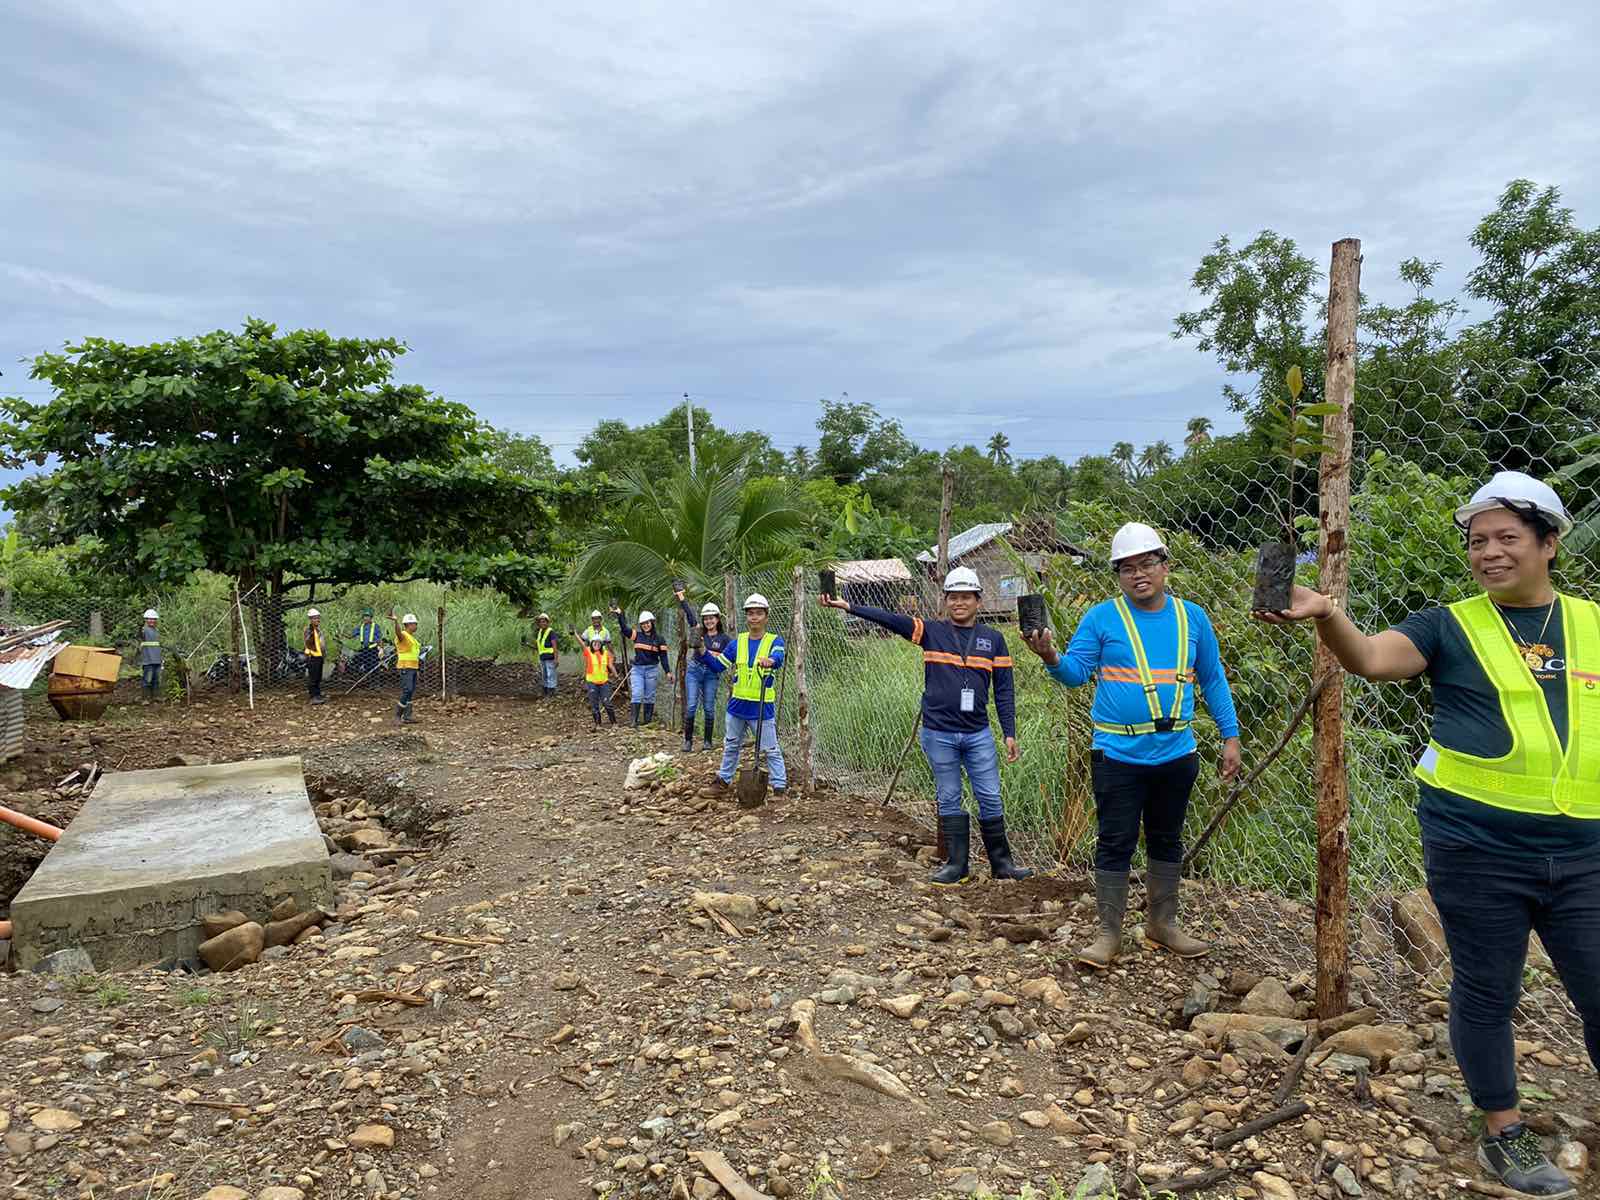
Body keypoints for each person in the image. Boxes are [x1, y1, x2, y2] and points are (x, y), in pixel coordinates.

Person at [1258, 471, 1596, 1199]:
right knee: (1487, 987)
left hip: (1584, 851)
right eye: (1479, 542)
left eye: (1508, 538)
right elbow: (1374, 660)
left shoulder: (1593, 625)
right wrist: (1325, 615)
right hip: (1476, 846)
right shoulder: (1450, 623)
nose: (1491, 553)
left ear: (1549, 543)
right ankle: (1503, 1130)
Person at [1022, 522, 1241, 969]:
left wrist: (1229, 735)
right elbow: (1076, 673)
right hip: (1117, 754)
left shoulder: (1191, 617)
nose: (1138, 574)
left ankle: (1163, 924)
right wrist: (1050, 657)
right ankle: (1109, 933)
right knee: (1115, 840)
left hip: (1177, 752)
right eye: (1126, 568)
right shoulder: (1102, 618)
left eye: (1146, 564)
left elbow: (1213, 678)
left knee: (1167, 837)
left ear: (1165, 566)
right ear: (1118, 575)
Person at [822, 566, 1031, 885]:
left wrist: (1010, 732)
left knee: (989, 795)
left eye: (965, 597)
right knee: (948, 795)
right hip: (939, 732)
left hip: (978, 733)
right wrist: (850, 606)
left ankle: (1002, 863)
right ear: (945, 600)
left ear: (978, 600)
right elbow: (890, 619)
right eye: (953, 597)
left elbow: (1004, 689)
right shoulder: (931, 631)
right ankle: (956, 864)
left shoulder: (994, 640)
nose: (959, 603)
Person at [699, 594, 787, 798]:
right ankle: (724, 780)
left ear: (766, 616)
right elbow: (717, 665)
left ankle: (780, 785)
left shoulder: (775, 640)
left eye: (758, 613)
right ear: (746, 617)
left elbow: (779, 656)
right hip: (737, 706)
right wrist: (702, 651)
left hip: (761, 706)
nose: (754, 617)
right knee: (731, 745)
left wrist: (771, 661)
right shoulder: (737, 643)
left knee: (771, 748)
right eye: (750, 614)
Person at [677, 588, 732, 752]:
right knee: (692, 705)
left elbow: (728, 658)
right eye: (706, 618)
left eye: (712, 618)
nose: (709, 621)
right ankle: (688, 741)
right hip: (694, 670)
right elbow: (689, 615)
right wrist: (681, 598)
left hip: (711, 674)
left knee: (709, 707)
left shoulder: (724, 639)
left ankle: (707, 742)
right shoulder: (699, 631)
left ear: (717, 619)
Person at [615, 604, 672, 727]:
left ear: (652, 623)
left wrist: (668, 671)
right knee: (637, 693)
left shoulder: (660, 639)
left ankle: (647, 721)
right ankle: (633, 721)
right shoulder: (637, 635)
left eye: (648, 623)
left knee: (649, 696)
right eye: (643, 623)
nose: (646, 625)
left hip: (652, 669)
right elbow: (625, 629)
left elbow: (663, 657)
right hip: (638, 669)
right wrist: (619, 614)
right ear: (641, 625)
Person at [388, 610, 421, 724]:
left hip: (412, 668)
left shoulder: (413, 639)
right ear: (408, 625)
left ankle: (407, 716)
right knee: (407, 691)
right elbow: (398, 633)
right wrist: (396, 621)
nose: (416, 626)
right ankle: (397, 716)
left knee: (411, 692)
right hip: (405, 667)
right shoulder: (404, 636)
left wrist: (417, 669)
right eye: (414, 624)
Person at [581, 629, 618, 728]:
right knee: (594, 705)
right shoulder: (588, 651)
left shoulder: (606, 653)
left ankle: (614, 723)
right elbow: (581, 643)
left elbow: (610, 665)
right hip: (592, 682)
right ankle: (598, 724)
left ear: (601, 644)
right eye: (594, 642)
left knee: (607, 703)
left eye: (598, 643)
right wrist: (575, 634)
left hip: (604, 682)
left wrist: (616, 675)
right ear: (591, 643)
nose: (596, 644)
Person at [350, 608, 384, 682]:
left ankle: (375, 683)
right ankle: (367, 681)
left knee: (374, 666)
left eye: (367, 616)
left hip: (373, 650)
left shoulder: (375, 627)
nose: (365, 618)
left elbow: (380, 638)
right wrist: (341, 635)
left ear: (371, 617)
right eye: (364, 616)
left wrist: (381, 649)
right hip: (365, 650)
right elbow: (351, 635)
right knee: (364, 664)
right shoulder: (361, 627)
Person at [137, 608, 161, 703]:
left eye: (154, 619)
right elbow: (140, 635)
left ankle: (155, 697)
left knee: (156, 680)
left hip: (157, 660)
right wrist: (139, 627)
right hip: (148, 661)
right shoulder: (144, 630)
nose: (152, 621)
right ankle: (145, 698)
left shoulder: (157, 631)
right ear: (146, 620)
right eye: (149, 619)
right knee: (147, 680)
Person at [304, 608, 327, 705]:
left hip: (319, 656)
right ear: (310, 619)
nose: (317, 620)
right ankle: (313, 697)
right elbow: (308, 642)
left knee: (318, 677)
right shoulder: (309, 630)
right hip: (312, 657)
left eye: (318, 618)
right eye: (315, 618)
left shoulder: (317, 630)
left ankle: (317, 694)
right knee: (313, 677)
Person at [534, 613, 559, 698]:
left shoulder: (551, 632)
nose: (542, 623)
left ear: (547, 622)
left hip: (550, 657)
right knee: (544, 674)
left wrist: (556, 659)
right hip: (542, 658)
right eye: (541, 622)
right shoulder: (540, 632)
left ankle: (551, 692)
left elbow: (555, 645)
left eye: (544, 621)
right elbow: (540, 646)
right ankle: (545, 691)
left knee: (550, 674)